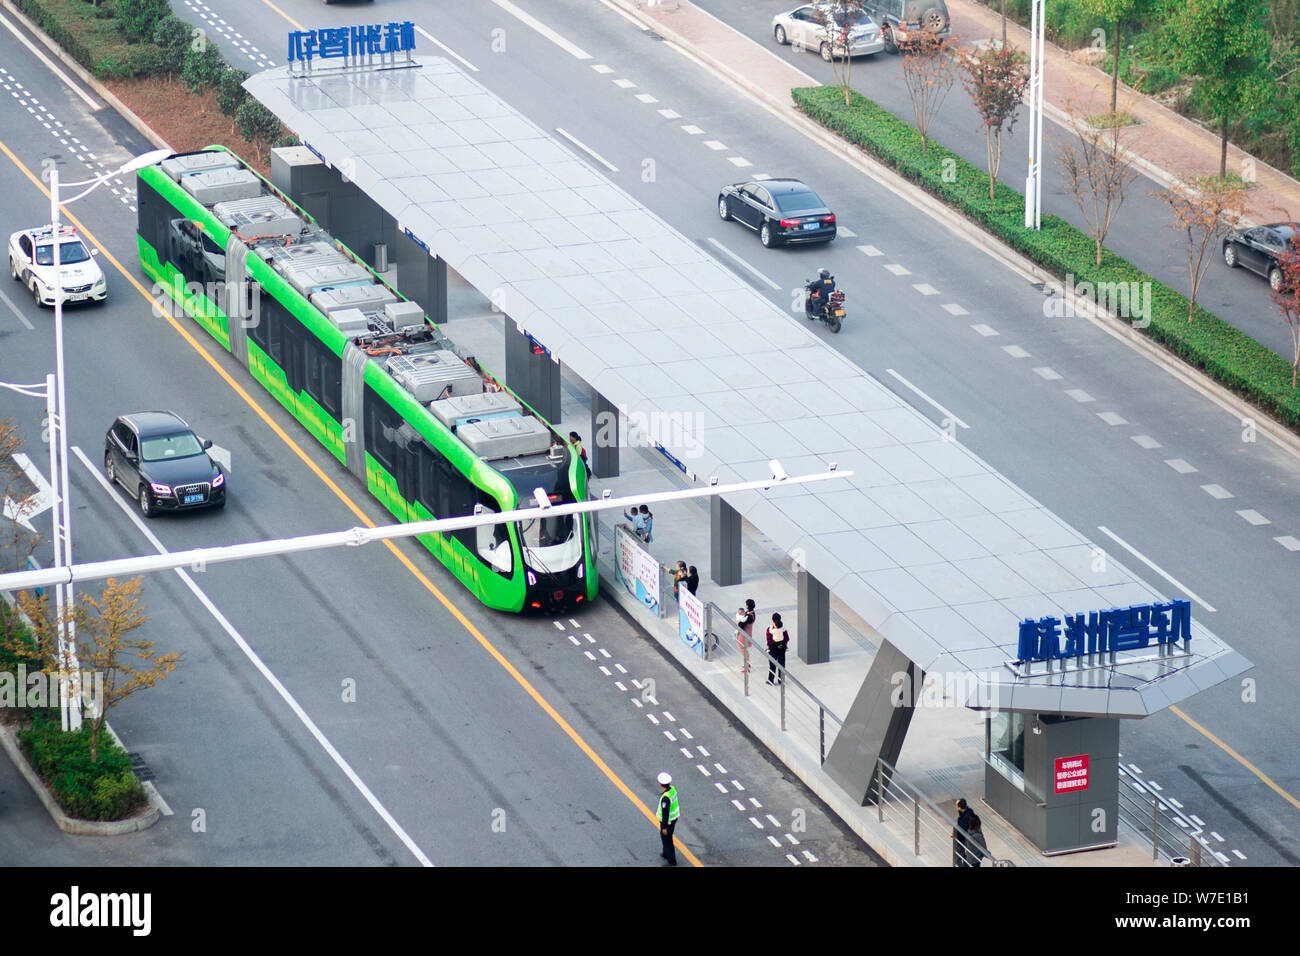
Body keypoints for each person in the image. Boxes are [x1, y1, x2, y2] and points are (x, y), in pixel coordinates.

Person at [656, 771, 680, 866]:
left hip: (668, 821)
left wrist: (665, 827)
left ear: (660, 784)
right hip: (673, 818)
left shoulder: (665, 798)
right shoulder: (672, 789)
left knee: (667, 839)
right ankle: (665, 853)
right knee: (664, 837)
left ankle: (672, 860)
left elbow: (665, 813)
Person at [765, 612, 790, 686]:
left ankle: (771, 680)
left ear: (772, 620)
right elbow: (787, 638)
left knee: (772, 664)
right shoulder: (783, 628)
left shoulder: (769, 629)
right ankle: (781, 680)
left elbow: (769, 640)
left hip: (773, 649)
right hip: (782, 648)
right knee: (781, 664)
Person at [735, 599, 756, 674]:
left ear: (747, 605)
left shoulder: (749, 615)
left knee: (743, 649)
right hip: (746, 633)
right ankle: (746, 663)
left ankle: (746, 665)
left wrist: (737, 622)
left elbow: (741, 624)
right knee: (744, 649)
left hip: (744, 634)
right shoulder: (750, 613)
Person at [953, 798, 974, 866]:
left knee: (957, 859)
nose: (955, 806)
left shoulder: (963, 821)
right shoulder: (969, 811)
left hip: (964, 841)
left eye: (956, 805)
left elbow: (963, 831)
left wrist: (954, 834)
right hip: (967, 840)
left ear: (959, 807)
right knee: (966, 859)